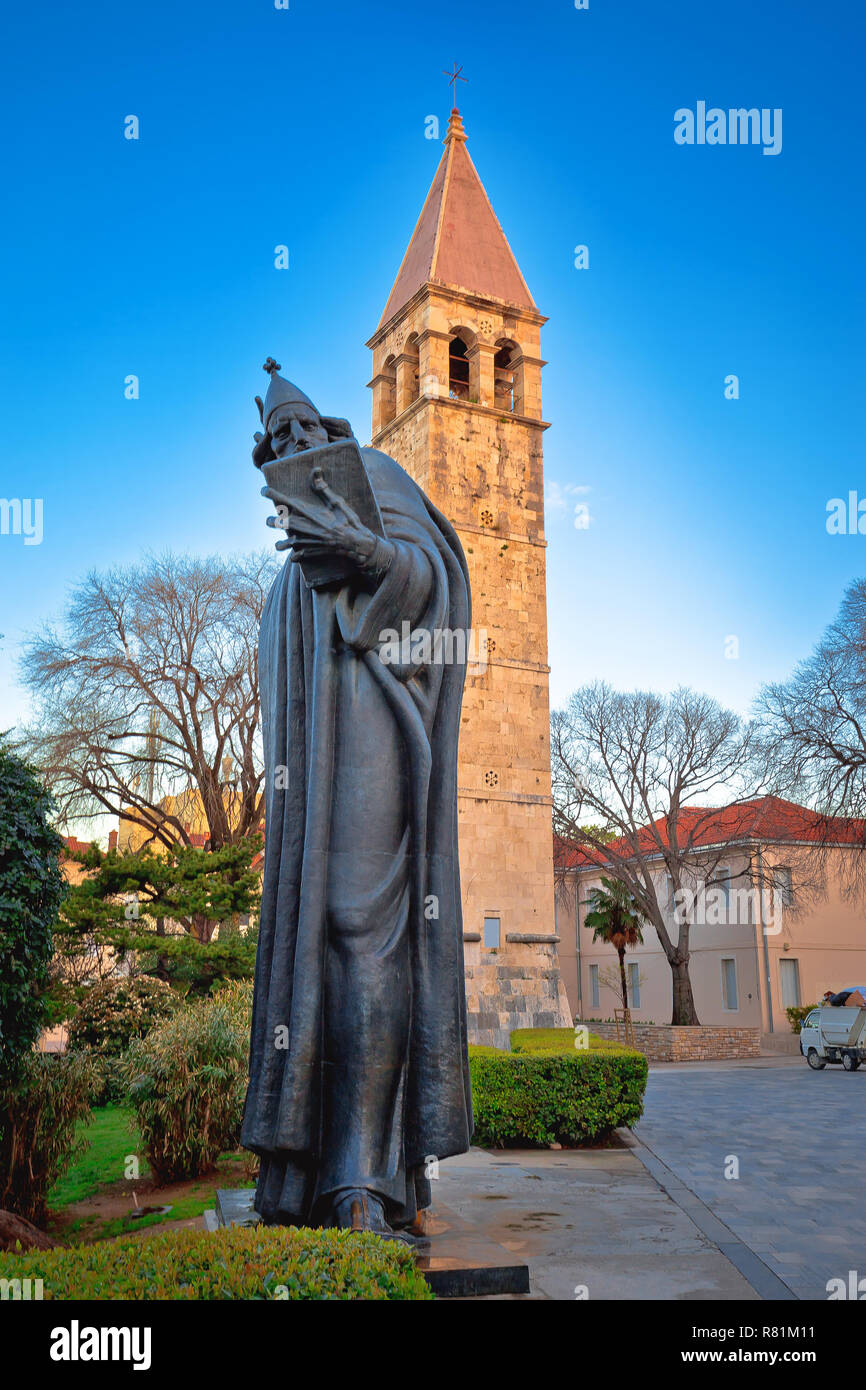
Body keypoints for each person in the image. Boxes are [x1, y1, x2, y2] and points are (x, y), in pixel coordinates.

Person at [240, 360, 472, 1238]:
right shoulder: (284, 561)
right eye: (278, 444)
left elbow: (437, 577)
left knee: (359, 929)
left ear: (334, 434)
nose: (295, 446)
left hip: (375, 727)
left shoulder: (375, 475)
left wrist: (367, 555)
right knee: (310, 943)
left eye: (305, 434)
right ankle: (303, 1177)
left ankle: (362, 1181)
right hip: (313, 769)